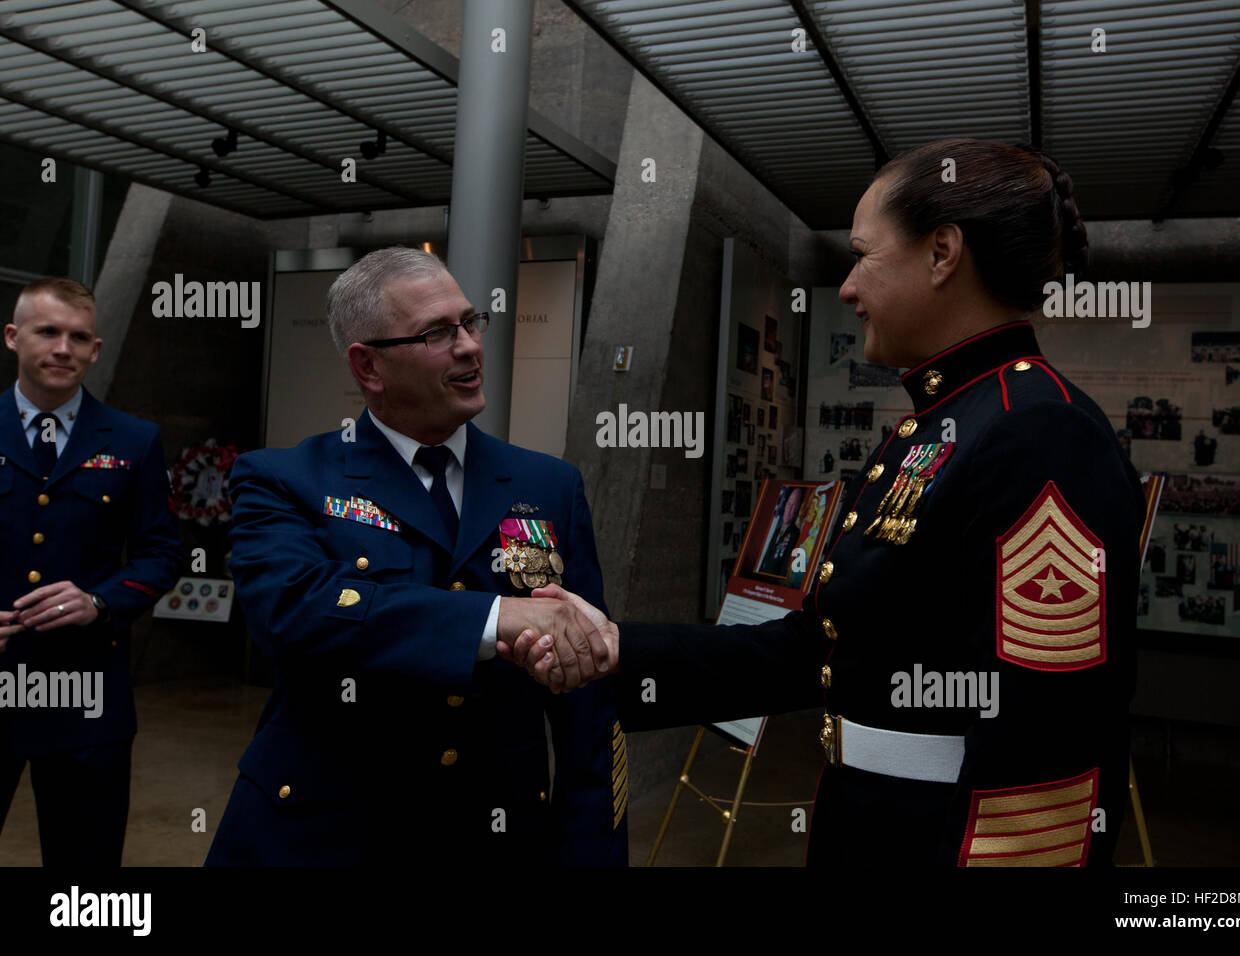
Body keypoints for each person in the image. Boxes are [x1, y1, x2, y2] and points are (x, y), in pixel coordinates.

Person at [507, 139, 1146, 868]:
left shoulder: (1040, 430)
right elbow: (818, 650)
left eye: (864, 254)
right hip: (866, 823)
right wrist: (623, 654)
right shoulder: (940, 425)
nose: (845, 287)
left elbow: (1050, 733)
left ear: (942, 253)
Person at [205, 247, 626, 867]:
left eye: (470, 322)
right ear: (368, 366)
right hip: (326, 836)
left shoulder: (549, 487)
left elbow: (587, 694)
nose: (469, 347)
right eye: (436, 333)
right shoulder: (284, 479)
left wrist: (592, 849)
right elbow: (293, 614)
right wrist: (496, 618)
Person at [0, 278, 181, 866]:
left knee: (85, 875)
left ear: (96, 350)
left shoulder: (133, 440)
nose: (63, 348)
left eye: (79, 337)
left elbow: (162, 553)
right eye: (47, 332)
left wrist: (100, 602)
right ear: (13, 337)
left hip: (85, 700)